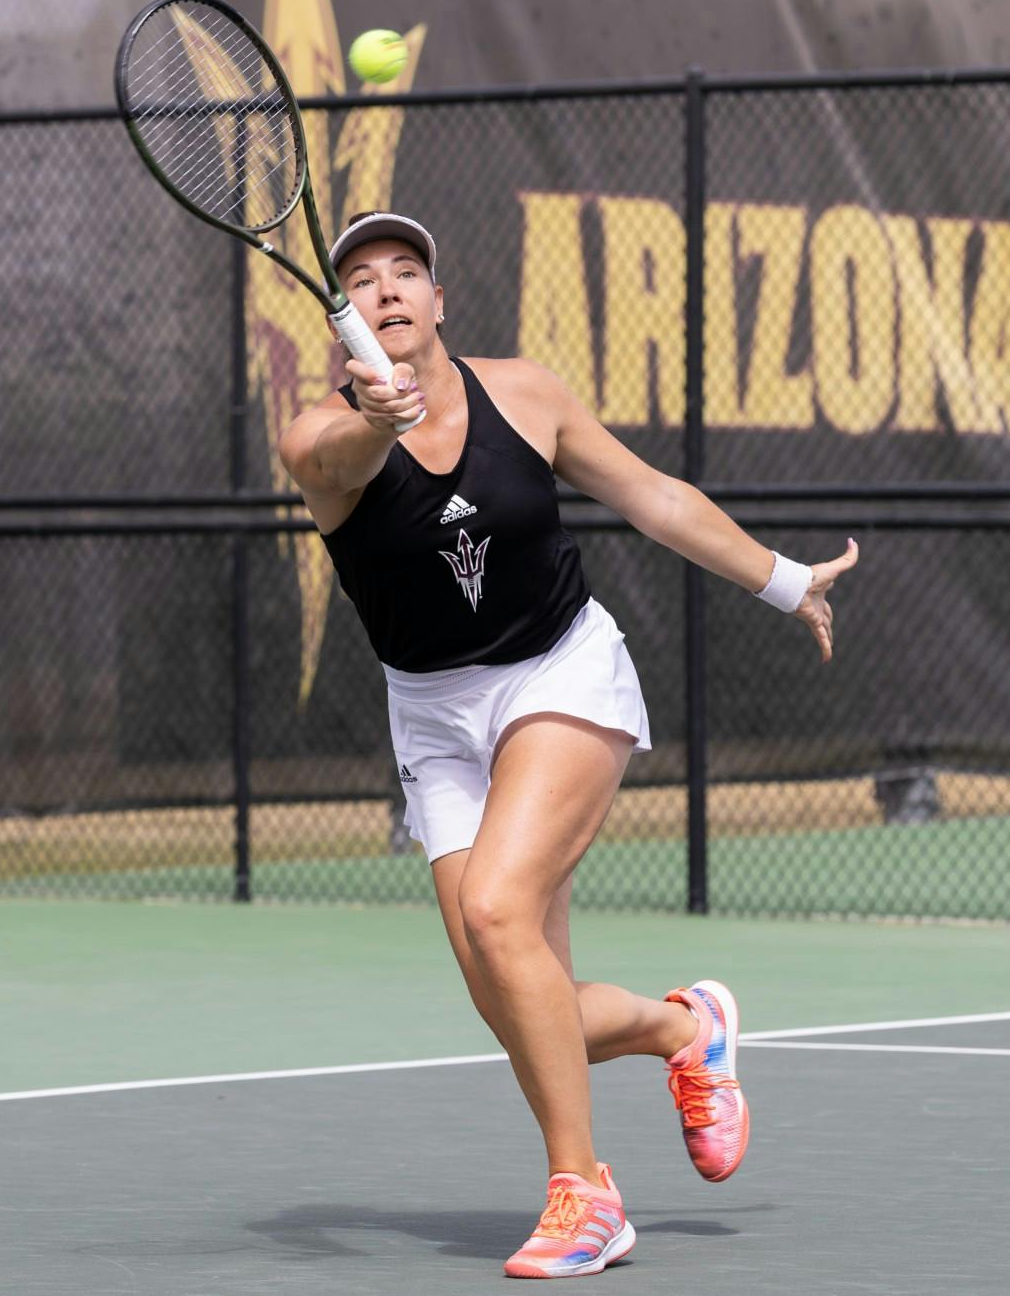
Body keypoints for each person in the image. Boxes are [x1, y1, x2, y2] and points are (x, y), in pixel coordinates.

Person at [277, 212, 858, 1280]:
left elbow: (652, 498)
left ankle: (583, 1195)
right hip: (433, 715)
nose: (389, 289)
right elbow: (349, 459)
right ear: (342, 321)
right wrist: (375, 418)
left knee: (499, 910)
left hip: (559, 672)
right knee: (516, 1004)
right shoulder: (317, 437)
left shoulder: (525, 393)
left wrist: (783, 579)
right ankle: (688, 1032)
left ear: (439, 301)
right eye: (363, 279)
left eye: (409, 271)